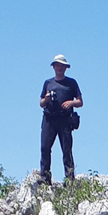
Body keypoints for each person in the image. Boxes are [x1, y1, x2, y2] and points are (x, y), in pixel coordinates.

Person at [38, 55, 82, 184]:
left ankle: (69, 180)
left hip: (65, 120)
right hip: (49, 119)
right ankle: (45, 178)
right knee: (45, 148)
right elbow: (41, 103)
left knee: (66, 150)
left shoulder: (71, 83)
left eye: (62, 66)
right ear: (53, 67)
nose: (59, 68)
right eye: (57, 65)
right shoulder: (48, 83)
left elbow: (80, 102)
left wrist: (71, 103)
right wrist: (47, 99)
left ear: (66, 68)